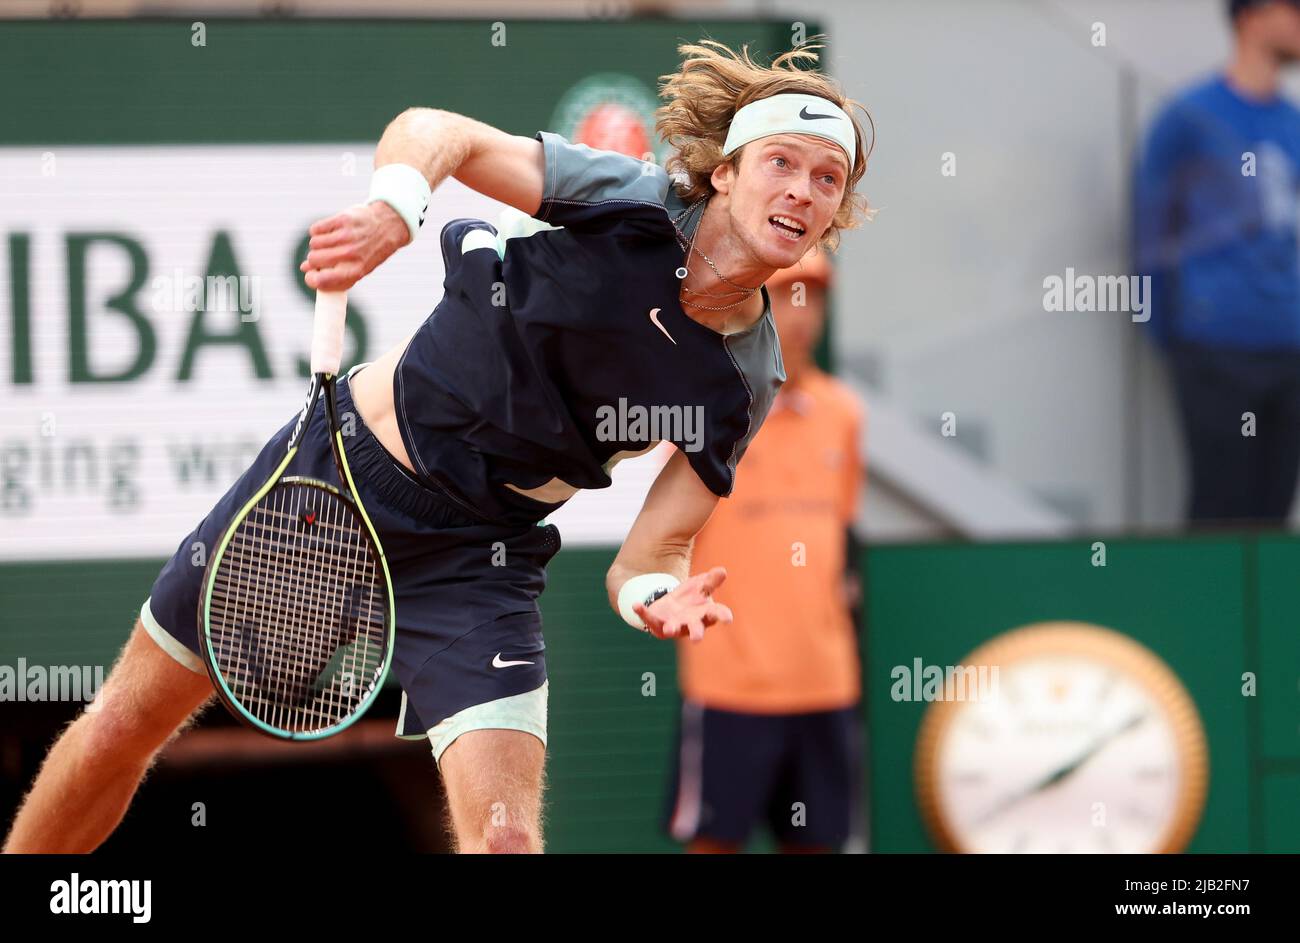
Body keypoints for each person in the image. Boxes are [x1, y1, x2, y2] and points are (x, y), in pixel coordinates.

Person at [3, 39, 872, 854]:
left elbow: (657, 550)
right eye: (782, 164)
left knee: (505, 838)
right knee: (123, 725)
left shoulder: (744, 382)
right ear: (724, 174)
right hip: (335, 476)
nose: (802, 189)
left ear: (835, 213)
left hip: (480, 559)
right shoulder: (631, 201)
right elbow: (438, 132)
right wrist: (396, 207)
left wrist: (652, 593)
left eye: (827, 179)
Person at [663, 249, 867, 853]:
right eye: (787, 294)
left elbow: (841, 533)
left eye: (817, 296)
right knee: (713, 842)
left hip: (826, 684)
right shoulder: (702, 409)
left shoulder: (844, 415)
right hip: (730, 684)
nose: (803, 314)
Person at [1134, 0, 1300, 525]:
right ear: (1250, 16)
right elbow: (1149, 229)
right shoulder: (1190, 118)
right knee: (1219, 510)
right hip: (1215, 346)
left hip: (1290, 346)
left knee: (1273, 513)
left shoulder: (1292, 124)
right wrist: (1168, 330)